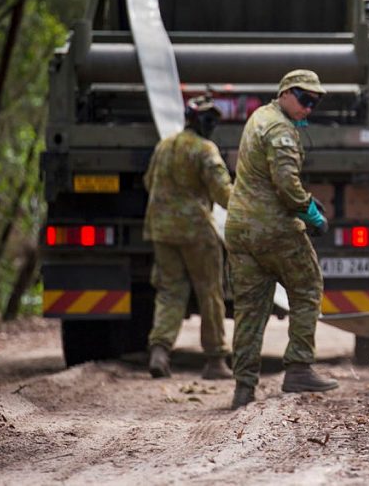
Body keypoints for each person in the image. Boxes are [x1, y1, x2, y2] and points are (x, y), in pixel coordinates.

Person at [225, 69, 336, 410]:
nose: (308, 107)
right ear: (286, 92)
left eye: (314, 102)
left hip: (240, 228)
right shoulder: (280, 129)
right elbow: (286, 184)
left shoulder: (260, 117)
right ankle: (299, 368)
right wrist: (309, 211)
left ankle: (243, 387)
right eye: (304, 99)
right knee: (307, 288)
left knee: (249, 308)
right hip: (273, 229)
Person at [144, 95, 233, 380]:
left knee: (170, 291)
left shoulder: (164, 145)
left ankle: (160, 350)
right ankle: (216, 360)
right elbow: (223, 193)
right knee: (209, 291)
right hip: (196, 232)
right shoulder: (205, 149)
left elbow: (149, 182)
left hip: (161, 229)